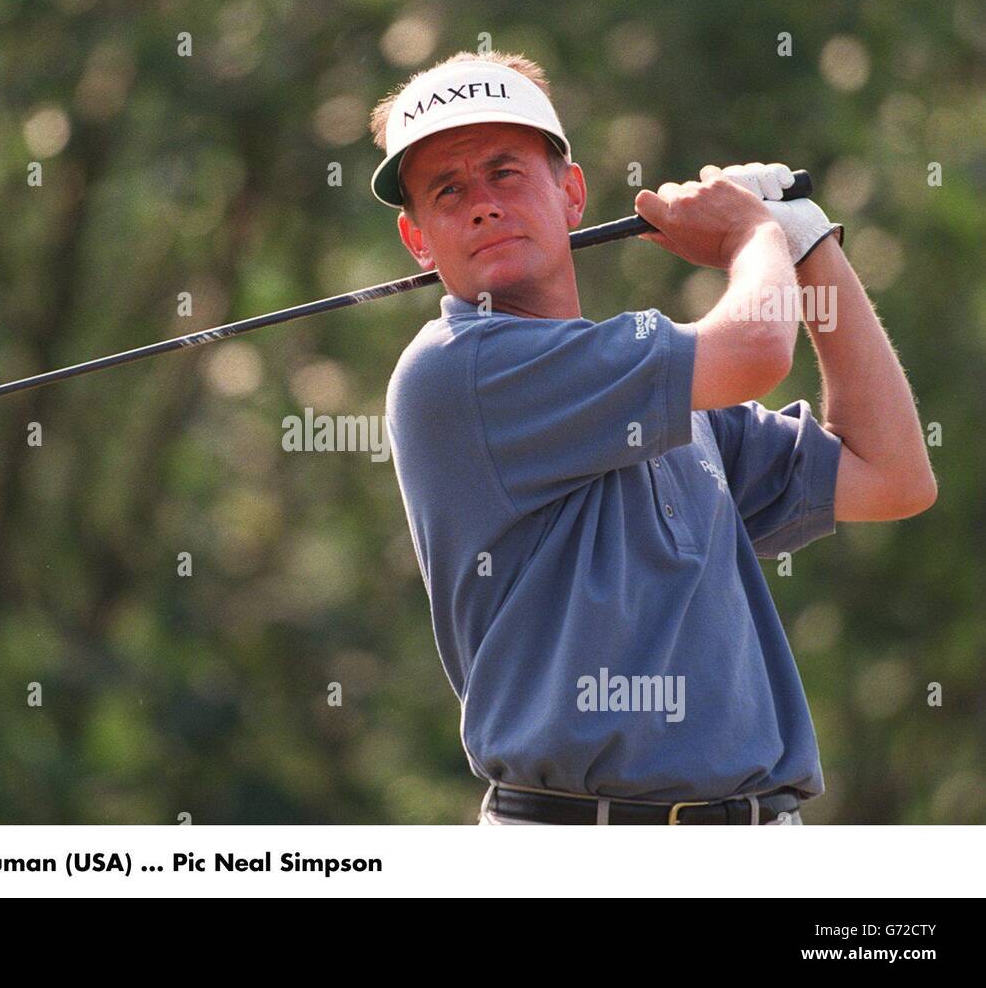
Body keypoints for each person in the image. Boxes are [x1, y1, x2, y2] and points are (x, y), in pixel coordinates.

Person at [369, 51, 937, 825]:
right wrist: (751, 237)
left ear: (571, 194)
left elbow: (894, 474)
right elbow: (758, 351)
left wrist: (809, 247)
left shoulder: (672, 396)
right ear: (418, 239)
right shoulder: (455, 371)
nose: (482, 205)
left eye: (505, 172)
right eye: (448, 189)